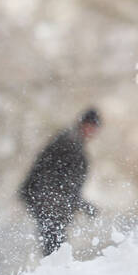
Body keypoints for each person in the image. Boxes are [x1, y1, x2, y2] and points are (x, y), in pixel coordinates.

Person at [19, 107, 101, 256]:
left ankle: (54, 274)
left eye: (94, 128)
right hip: (49, 203)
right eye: (90, 126)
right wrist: (79, 204)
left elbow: (67, 185)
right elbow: (60, 182)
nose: (92, 131)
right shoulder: (69, 143)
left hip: (51, 203)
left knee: (55, 250)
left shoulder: (72, 142)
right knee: (55, 252)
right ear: (82, 124)